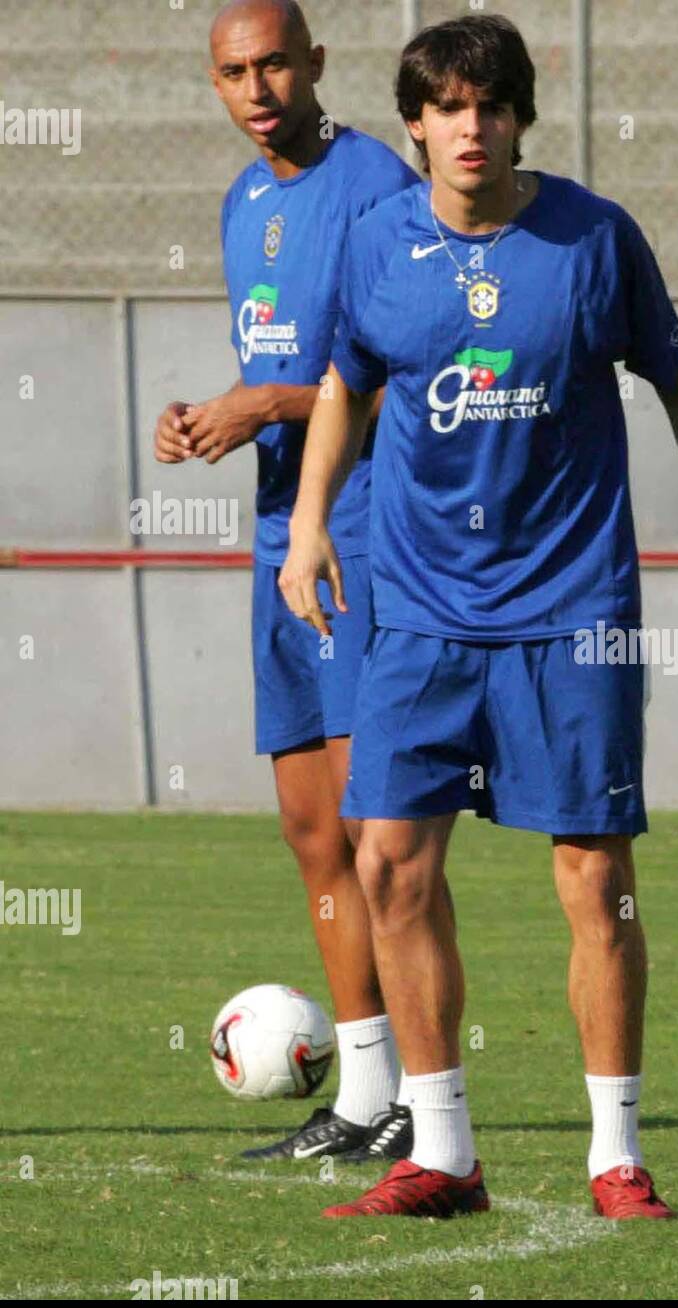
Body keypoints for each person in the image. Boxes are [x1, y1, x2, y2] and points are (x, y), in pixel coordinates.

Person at [280, 14, 678, 1219]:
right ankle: (441, 1152)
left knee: (595, 881)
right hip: (420, 614)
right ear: (415, 125)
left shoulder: (595, 239)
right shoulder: (376, 240)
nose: (470, 127)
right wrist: (305, 526)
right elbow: (345, 381)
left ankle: (616, 1157)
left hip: (570, 608)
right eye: (447, 108)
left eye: (491, 106)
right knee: (387, 862)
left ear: (518, 120)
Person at [153, 0, 420, 1163]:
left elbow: (406, 371)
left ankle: (421, 1090)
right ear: (212, 84)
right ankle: (363, 1099)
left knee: (376, 830)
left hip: (364, 534)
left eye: (274, 65)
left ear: (316, 64)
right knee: (313, 834)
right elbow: (274, 360)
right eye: (232, 72)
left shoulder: (373, 184)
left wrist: (267, 403)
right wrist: (213, 415)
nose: (256, 88)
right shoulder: (242, 201)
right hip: (277, 535)